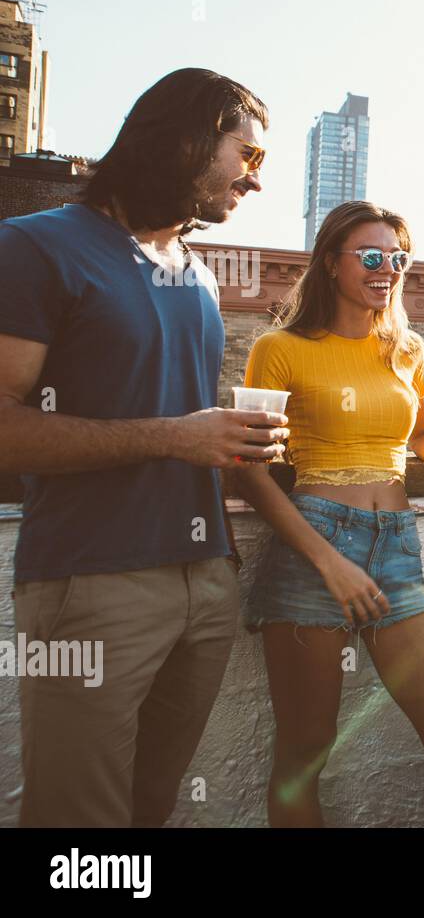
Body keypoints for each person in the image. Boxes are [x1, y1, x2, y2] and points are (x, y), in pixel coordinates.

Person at [0, 68, 282, 827]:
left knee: (147, 814)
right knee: (77, 824)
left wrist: (225, 438)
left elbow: (165, 414)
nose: (255, 181)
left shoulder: (200, 277)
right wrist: (173, 436)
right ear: (187, 137)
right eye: (247, 156)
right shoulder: (33, 246)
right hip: (92, 581)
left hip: (206, 581)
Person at [235, 200, 424, 827]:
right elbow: (249, 468)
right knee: (302, 760)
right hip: (313, 548)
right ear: (329, 263)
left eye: (398, 258)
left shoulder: (406, 350)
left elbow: (420, 438)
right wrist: (328, 563)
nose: (389, 269)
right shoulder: (280, 348)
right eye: (372, 256)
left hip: (396, 554)